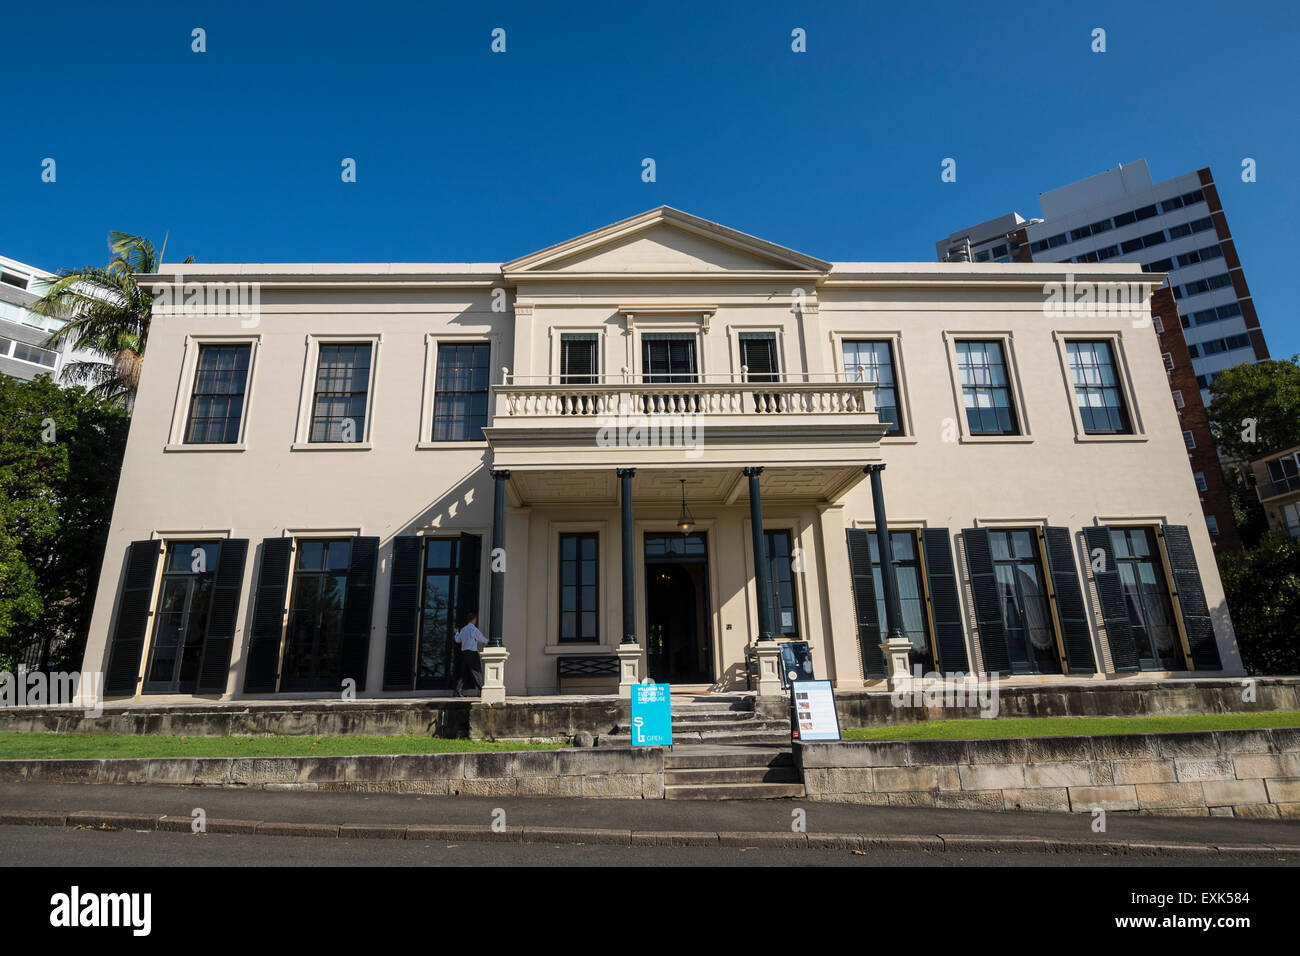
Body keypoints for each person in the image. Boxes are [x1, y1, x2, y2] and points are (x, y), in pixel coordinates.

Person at [452, 611, 487, 697]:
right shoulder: (474, 629)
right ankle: (483, 691)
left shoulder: (463, 629)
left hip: (464, 654)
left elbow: (458, 640)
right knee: (477, 672)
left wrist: (456, 633)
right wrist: (491, 642)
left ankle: (458, 690)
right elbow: (482, 639)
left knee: (464, 673)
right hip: (472, 653)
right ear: (474, 620)